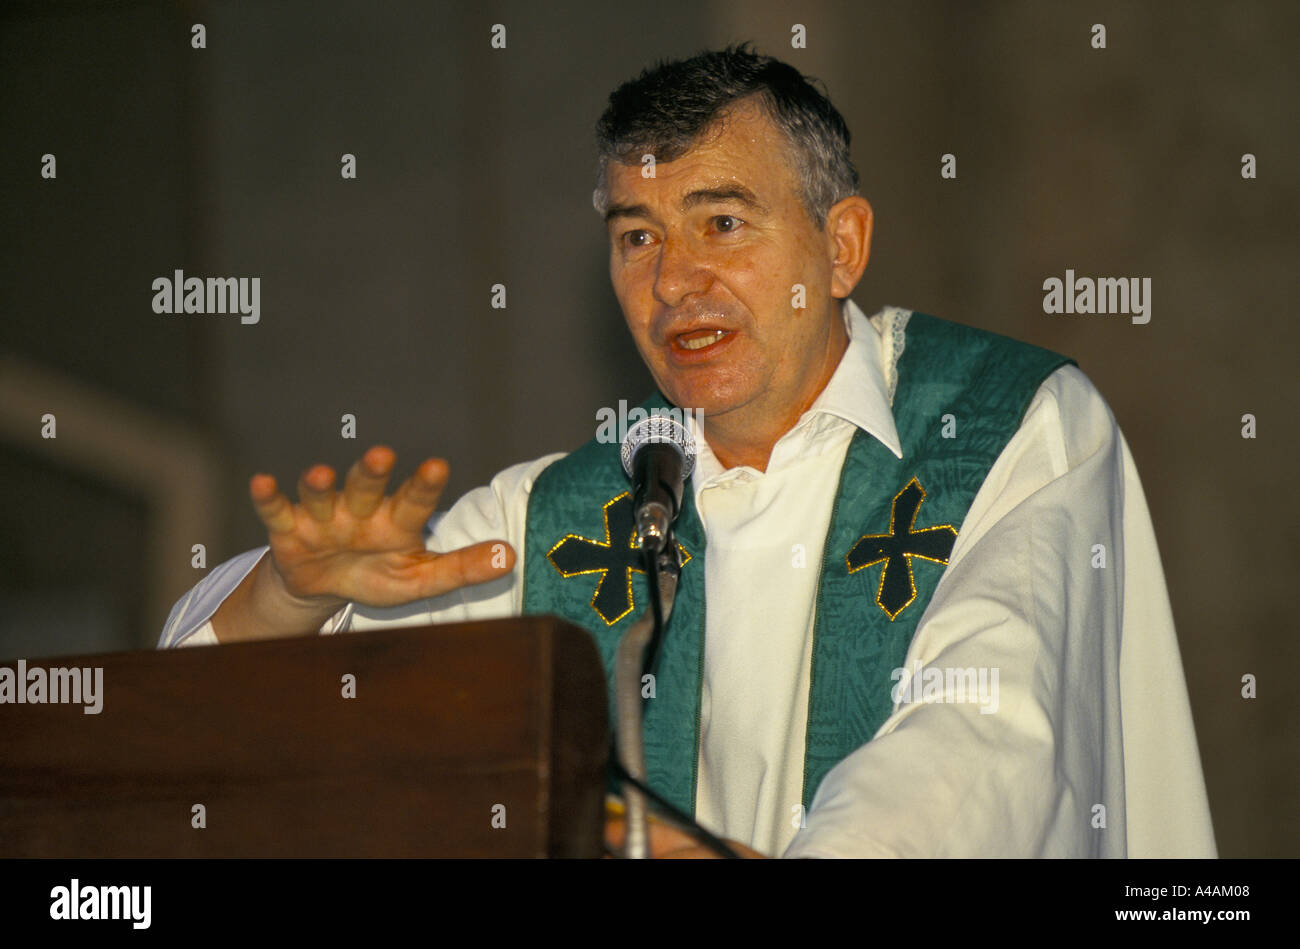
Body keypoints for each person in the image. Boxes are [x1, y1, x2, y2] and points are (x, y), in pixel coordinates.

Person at [159, 44, 1216, 859]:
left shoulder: (1008, 426)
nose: (672, 282)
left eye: (720, 223)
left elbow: (988, 741)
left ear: (839, 246)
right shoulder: (574, 512)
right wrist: (291, 598)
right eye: (636, 236)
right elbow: (204, 735)